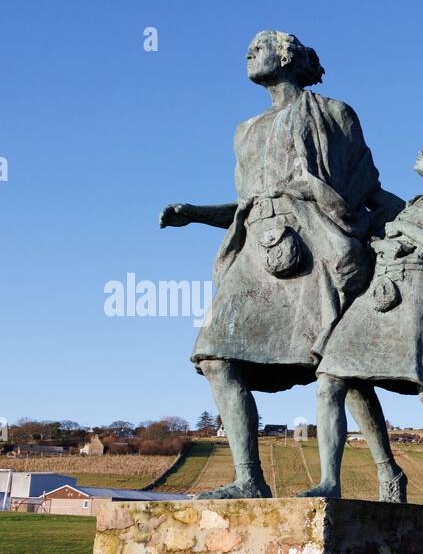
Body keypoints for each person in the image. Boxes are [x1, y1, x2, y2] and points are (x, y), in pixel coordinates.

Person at [159, 30, 407, 501]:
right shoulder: (243, 131)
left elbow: (364, 187)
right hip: (255, 250)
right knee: (216, 358)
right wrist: (194, 213)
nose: (248, 53)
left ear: (288, 55)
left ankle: (388, 472)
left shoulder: (333, 113)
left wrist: (406, 226)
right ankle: (248, 478)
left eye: (259, 45)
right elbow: (243, 205)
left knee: (338, 366)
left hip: (318, 242)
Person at [311, 135, 423, 507]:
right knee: (332, 376)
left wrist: (403, 230)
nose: (418, 152)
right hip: (379, 292)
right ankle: (330, 481)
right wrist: (382, 242)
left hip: (417, 291)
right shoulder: (413, 203)